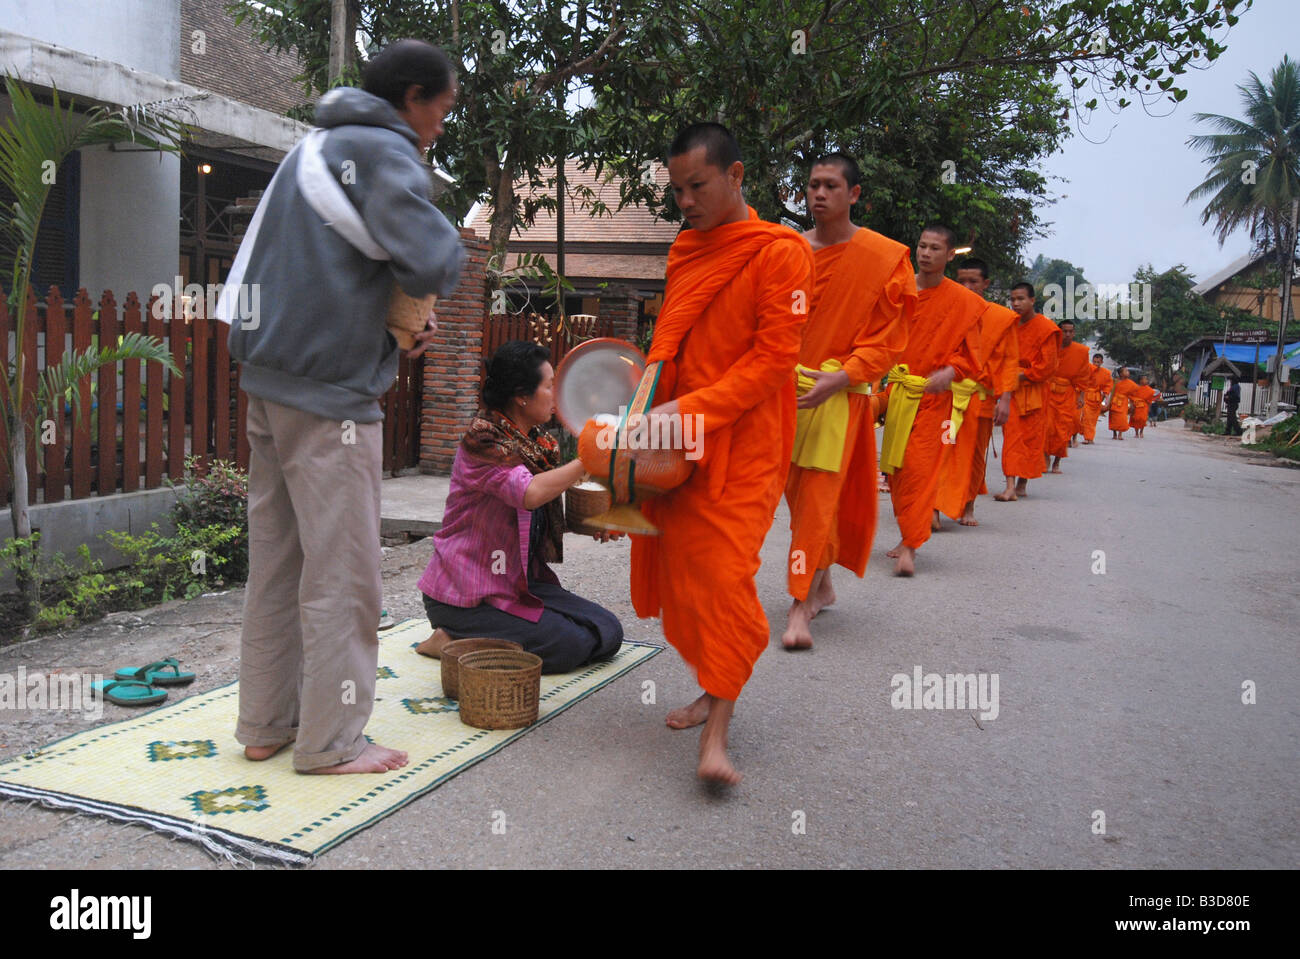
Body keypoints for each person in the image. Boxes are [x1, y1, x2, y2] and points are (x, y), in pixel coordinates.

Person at [227, 40, 465, 774]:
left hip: (267, 380)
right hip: (330, 397)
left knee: (277, 561)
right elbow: (435, 261)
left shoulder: (317, 144)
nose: (438, 129)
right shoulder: (384, 151)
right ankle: (331, 741)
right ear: (415, 97)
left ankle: (266, 722)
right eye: (441, 111)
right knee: (345, 575)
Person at [630, 122, 813, 785]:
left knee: (726, 580)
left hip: (745, 446)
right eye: (676, 188)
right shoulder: (687, 249)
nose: (685, 200)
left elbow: (773, 362)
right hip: (678, 446)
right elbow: (669, 340)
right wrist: (651, 401)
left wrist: (693, 408)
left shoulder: (782, 252)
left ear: (736, 176)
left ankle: (717, 736)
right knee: (685, 586)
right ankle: (712, 682)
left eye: (697, 185)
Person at [417, 341, 624, 671]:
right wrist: (588, 460)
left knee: (608, 631)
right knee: (572, 645)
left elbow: (538, 511)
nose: (556, 394)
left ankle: (464, 641)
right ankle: (454, 638)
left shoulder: (538, 443)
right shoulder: (484, 440)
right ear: (521, 395)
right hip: (467, 595)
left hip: (516, 581)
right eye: (549, 385)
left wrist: (594, 522)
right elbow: (527, 493)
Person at [781, 153, 913, 650]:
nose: (819, 194)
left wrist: (840, 379)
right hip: (786, 395)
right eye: (813, 185)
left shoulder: (883, 258)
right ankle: (823, 583)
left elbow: (888, 341)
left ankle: (799, 606)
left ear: (854, 194)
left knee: (816, 503)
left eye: (832, 186)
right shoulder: (789, 249)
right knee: (800, 505)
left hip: (839, 397)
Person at [881, 225, 983, 575]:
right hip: (898, 393)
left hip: (932, 398)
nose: (926, 253)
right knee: (895, 472)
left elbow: (971, 354)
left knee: (920, 469)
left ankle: (911, 545)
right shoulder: (898, 289)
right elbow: (878, 335)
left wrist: (950, 373)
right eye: (922, 246)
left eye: (935, 248)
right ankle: (907, 532)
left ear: (950, 255)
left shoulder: (965, 303)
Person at [935, 258, 1019, 528]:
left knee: (974, 456)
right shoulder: (946, 310)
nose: (967, 287)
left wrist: (1005, 399)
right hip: (947, 396)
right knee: (941, 450)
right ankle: (934, 508)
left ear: (986, 284)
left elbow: (1008, 361)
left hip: (980, 398)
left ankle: (968, 507)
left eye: (973, 281)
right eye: (961, 281)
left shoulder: (1001, 319)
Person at [995, 283, 1060, 501]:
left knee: (1031, 439)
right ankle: (1010, 486)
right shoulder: (1009, 325)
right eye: (1012, 299)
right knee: (1011, 435)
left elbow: (1048, 365)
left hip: (1034, 390)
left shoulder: (1045, 328)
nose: (1016, 304)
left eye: (1021, 299)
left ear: (1033, 300)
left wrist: (1022, 374)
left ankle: (1022, 483)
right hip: (1011, 391)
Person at [1045, 320, 1091, 473]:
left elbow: (1084, 376)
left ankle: (1057, 462)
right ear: (1059, 332)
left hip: (1067, 394)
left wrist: (1081, 396)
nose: (1068, 334)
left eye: (1071, 331)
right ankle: (1045, 456)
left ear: (1074, 333)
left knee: (1063, 429)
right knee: (1047, 427)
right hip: (1048, 392)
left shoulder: (1081, 351)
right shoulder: (1049, 347)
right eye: (1065, 331)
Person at [1080, 353, 1110, 444]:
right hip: (1086, 396)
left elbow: (1107, 386)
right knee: (1087, 418)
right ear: (1092, 361)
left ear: (1102, 362)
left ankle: (1090, 437)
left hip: (1097, 399)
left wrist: (1106, 397)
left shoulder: (1106, 373)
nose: (1096, 364)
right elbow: (1081, 381)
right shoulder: (1087, 369)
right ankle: (1087, 437)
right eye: (1094, 362)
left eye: (1098, 362)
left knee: (1093, 419)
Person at [1105, 366, 1140, 439]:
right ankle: (1114, 434)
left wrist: (1132, 403)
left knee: (1122, 418)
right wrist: (1107, 399)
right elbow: (1108, 389)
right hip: (1114, 401)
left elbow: (1136, 392)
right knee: (1113, 418)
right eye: (1126, 371)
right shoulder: (1115, 381)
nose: (1128, 372)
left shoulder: (1131, 383)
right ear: (1121, 374)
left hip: (1123, 402)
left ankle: (1120, 434)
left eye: (1128, 371)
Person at [1131, 373, 1158, 438]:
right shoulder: (1136, 388)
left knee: (1143, 420)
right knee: (1136, 419)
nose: (1146, 381)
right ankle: (1136, 433)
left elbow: (1150, 400)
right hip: (1136, 406)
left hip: (1144, 407)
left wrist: (1149, 407)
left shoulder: (1149, 390)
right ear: (1140, 381)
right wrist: (1132, 405)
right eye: (1144, 379)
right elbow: (1132, 397)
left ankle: (1141, 432)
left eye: (1146, 379)